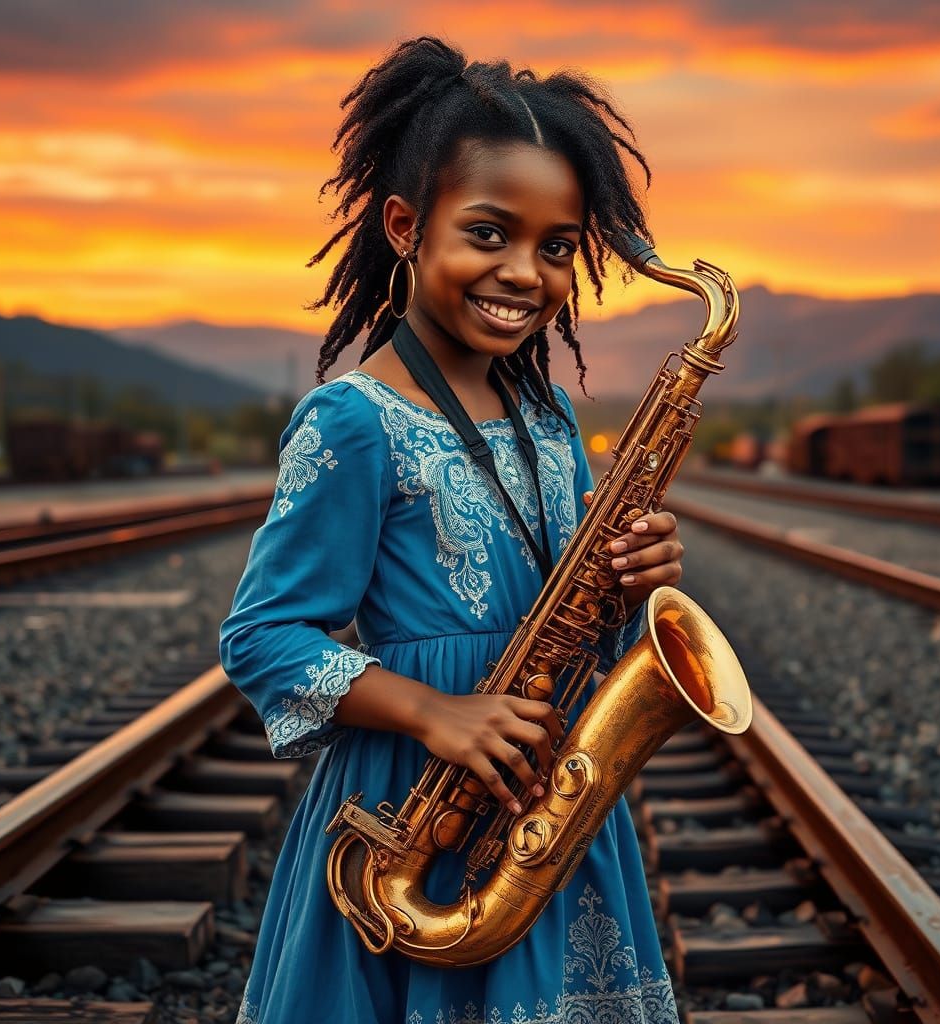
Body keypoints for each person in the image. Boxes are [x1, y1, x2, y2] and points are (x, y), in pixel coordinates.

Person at [220, 36, 686, 1024]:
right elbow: (261, 639)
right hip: (417, 806)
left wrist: (628, 578)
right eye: (488, 233)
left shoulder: (552, 420)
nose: (524, 271)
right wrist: (437, 714)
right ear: (405, 226)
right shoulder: (352, 419)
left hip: (543, 797)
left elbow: (567, 621)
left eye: (556, 246)